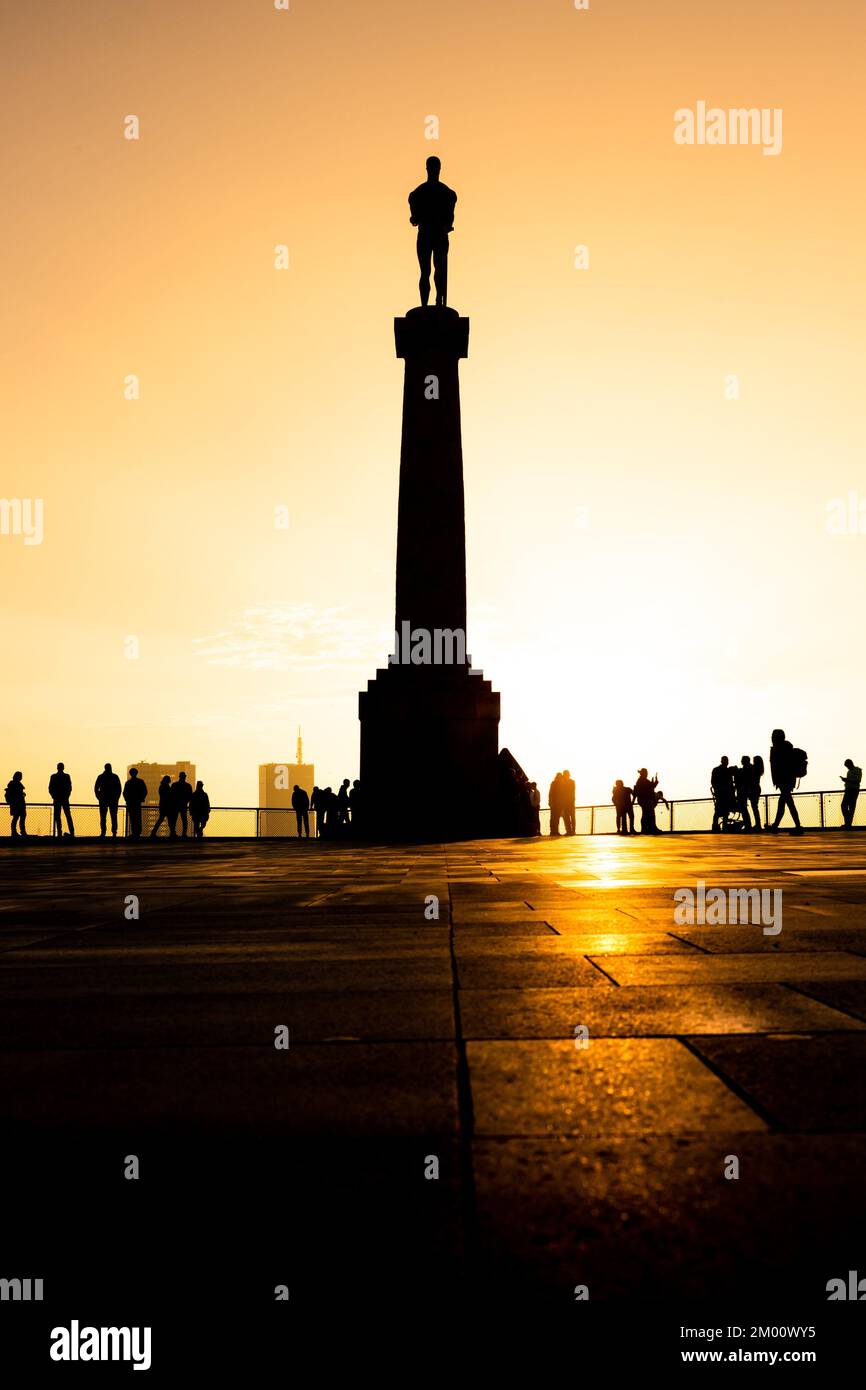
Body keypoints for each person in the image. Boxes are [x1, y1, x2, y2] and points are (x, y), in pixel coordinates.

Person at [409, 156, 457, 308]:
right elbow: (415, 218)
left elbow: (415, 218)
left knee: (434, 270)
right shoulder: (445, 194)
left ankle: (437, 302)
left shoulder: (420, 194)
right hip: (431, 234)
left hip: (432, 234)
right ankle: (432, 303)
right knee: (429, 270)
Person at [768, 728, 804, 834]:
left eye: (773, 736)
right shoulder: (787, 747)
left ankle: (797, 826)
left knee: (788, 803)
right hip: (787, 780)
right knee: (784, 802)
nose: (771, 738)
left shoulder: (779, 749)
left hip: (783, 780)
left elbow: (779, 766)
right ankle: (776, 825)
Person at [94, 762, 122, 838]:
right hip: (112, 800)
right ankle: (114, 832)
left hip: (104, 799)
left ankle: (104, 832)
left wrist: (99, 797)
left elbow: (96, 788)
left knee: (103, 817)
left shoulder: (101, 777)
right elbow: (119, 789)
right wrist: (116, 798)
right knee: (113, 816)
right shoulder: (115, 777)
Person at [47, 761, 75, 839]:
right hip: (63, 799)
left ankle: (59, 832)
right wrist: (66, 796)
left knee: (58, 816)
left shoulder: (54, 776)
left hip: (58, 799)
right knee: (67, 816)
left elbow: (50, 788)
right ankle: (71, 832)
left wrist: (54, 796)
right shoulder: (66, 776)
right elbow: (69, 787)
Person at [710, 756, 735, 832]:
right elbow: (730, 784)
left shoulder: (716, 770)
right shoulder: (728, 771)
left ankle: (715, 826)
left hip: (720, 794)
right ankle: (724, 827)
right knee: (724, 811)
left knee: (718, 811)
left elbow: (713, 782)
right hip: (725, 794)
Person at [633, 768, 661, 834]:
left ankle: (646, 828)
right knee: (650, 814)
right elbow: (651, 787)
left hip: (643, 800)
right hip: (645, 799)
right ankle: (652, 828)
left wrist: (654, 783)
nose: (647, 774)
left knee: (645, 814)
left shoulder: (641, 780)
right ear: (643, 773)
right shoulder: (643, 780)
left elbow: (650, 787)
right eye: (646, 772)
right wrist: (655, 782)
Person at [123, 767, 147, 839]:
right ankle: (138, 833)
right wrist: (141, 798)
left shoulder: (128, 783)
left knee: (133, 818)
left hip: (131, 803)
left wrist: (127, 800)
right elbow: (145, 791)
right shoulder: (140, 782)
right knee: (137, 818)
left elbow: (124, 793)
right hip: (137, 803)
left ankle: (134, 833)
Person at [734, 756, 755, 832]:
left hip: (743, 791)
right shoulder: (748, 768)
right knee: (744, 809)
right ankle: (748, 824)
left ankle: (748, 825)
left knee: (743, 809)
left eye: (742, 760)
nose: (741, 761)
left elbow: (742, 779)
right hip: (744, 791)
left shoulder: (746, 769)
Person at [841, 758, 862, 830]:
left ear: (850, 764)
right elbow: (852, 781)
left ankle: (848, 823)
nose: (847, 767)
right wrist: (846, 780)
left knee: (851, 806)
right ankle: (848, 822)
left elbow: (858, 780)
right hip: (848, 790)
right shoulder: (849, 771)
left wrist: (847, 780)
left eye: (847, 766)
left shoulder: (857, 770)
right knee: (845, 806)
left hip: (854, 790)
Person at [4, 771, 27, 839]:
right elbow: (16, 794)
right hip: (17, 803)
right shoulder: (14, 784)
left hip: (18, 803)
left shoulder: (13, 783)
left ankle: (17, 831)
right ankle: (18, 831)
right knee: (17, 817)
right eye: (20, 776)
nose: (21, 777)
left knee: (18, 817)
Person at [171, 771, 193, 838]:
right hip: (183, 805)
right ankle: (184, 834)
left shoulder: (174, 785)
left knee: (174, 820)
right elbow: (190, 796)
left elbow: (171, 795)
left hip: (176, 805)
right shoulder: (188, 786)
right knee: (184, 820)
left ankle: (173, 833)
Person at [749, 754, 765, 831]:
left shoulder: (754, 769)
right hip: (757, 788)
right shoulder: (759, 769)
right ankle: (758, 823)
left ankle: (758, 824)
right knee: (755, 807)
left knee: (754, 807)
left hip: (754, 789)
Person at [561, 769, 576, 835]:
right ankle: (569, 831)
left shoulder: (572, 782)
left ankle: (572, 831)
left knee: (572, 817)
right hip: (566, 802)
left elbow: (572, 791)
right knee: (567, 817)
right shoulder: (564, 782)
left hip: (570, 801)